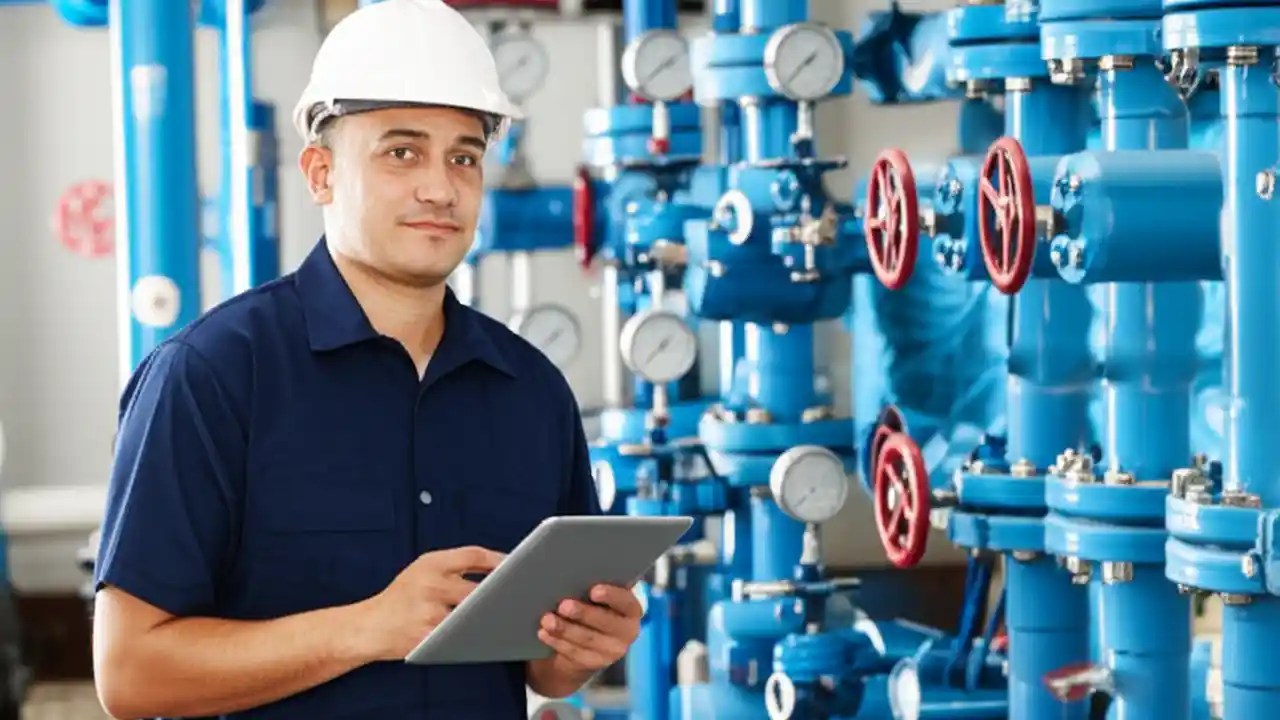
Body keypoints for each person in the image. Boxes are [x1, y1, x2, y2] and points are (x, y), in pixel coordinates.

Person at [90, 1, 639, 717]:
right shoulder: (213, 376)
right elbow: (130, 674)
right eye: (401, 152)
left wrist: (584, 645)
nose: (440, 187)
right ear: (320, 173)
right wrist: (365, 629)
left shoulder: (530, 391)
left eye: (464, 157)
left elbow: (544, 672)